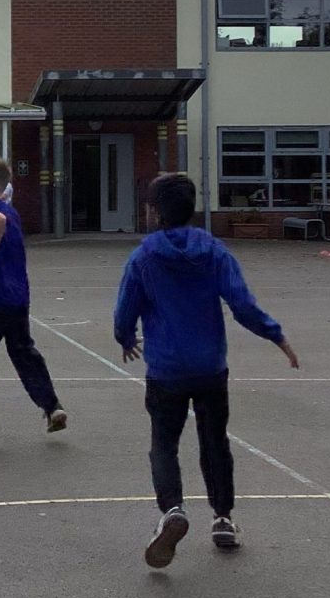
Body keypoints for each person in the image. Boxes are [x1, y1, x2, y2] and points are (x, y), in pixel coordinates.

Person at [114, 173, 300, 569]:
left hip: (166, 369)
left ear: (154, 212)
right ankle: (223, 518)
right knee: (214, 440)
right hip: (210, 366)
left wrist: (126, 337)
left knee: (164, 443)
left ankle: (173, 510)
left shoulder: (144, 256)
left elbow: (124, 310)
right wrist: (276, 336)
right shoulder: (214, 252)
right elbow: (242, 304)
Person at [0, 157, 68, 445]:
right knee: (23, 351)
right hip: (18, 297)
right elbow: (1, 214)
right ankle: (52, 405)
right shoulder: (10, 210)